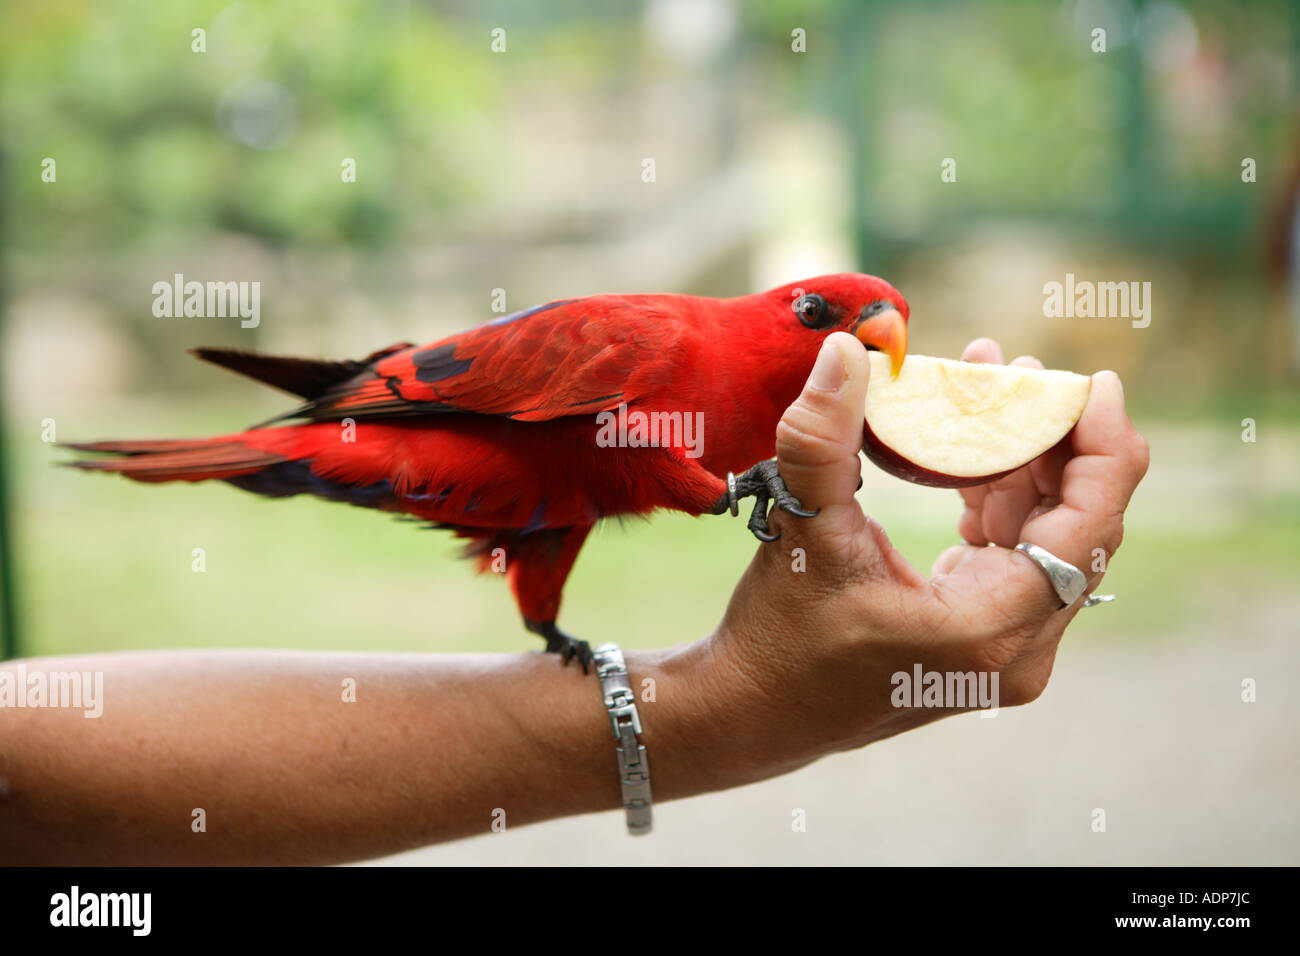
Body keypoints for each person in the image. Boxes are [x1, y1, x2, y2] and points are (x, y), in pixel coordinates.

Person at [0, 334, 1149, 865]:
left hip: (526, 506)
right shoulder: (653, 343)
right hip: (432, 436)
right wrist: (720, 692)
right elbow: (615, 455)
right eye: (828, 316)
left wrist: (677, 695)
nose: (871, 342)